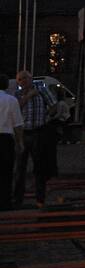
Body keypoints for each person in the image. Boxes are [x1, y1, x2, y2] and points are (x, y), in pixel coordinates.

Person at [12, 69, 54, 208]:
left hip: (38, 132)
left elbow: (53, 105)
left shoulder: (42, 90)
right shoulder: (17, 95)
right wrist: (29, 96)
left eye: (25, 78)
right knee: (20, 168)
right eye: (20, 79)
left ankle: (40, 199)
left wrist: (46, 116)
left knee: (39, 167)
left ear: (31, 79)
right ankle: (18, 199)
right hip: (23, 133)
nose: (23, 82)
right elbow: (16, 109)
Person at [0, 74, 24, 211]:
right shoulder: (11, 100)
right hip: (5, 138)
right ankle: (5, 201)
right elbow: (18, 124)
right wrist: (20, 142)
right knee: (6, 171)